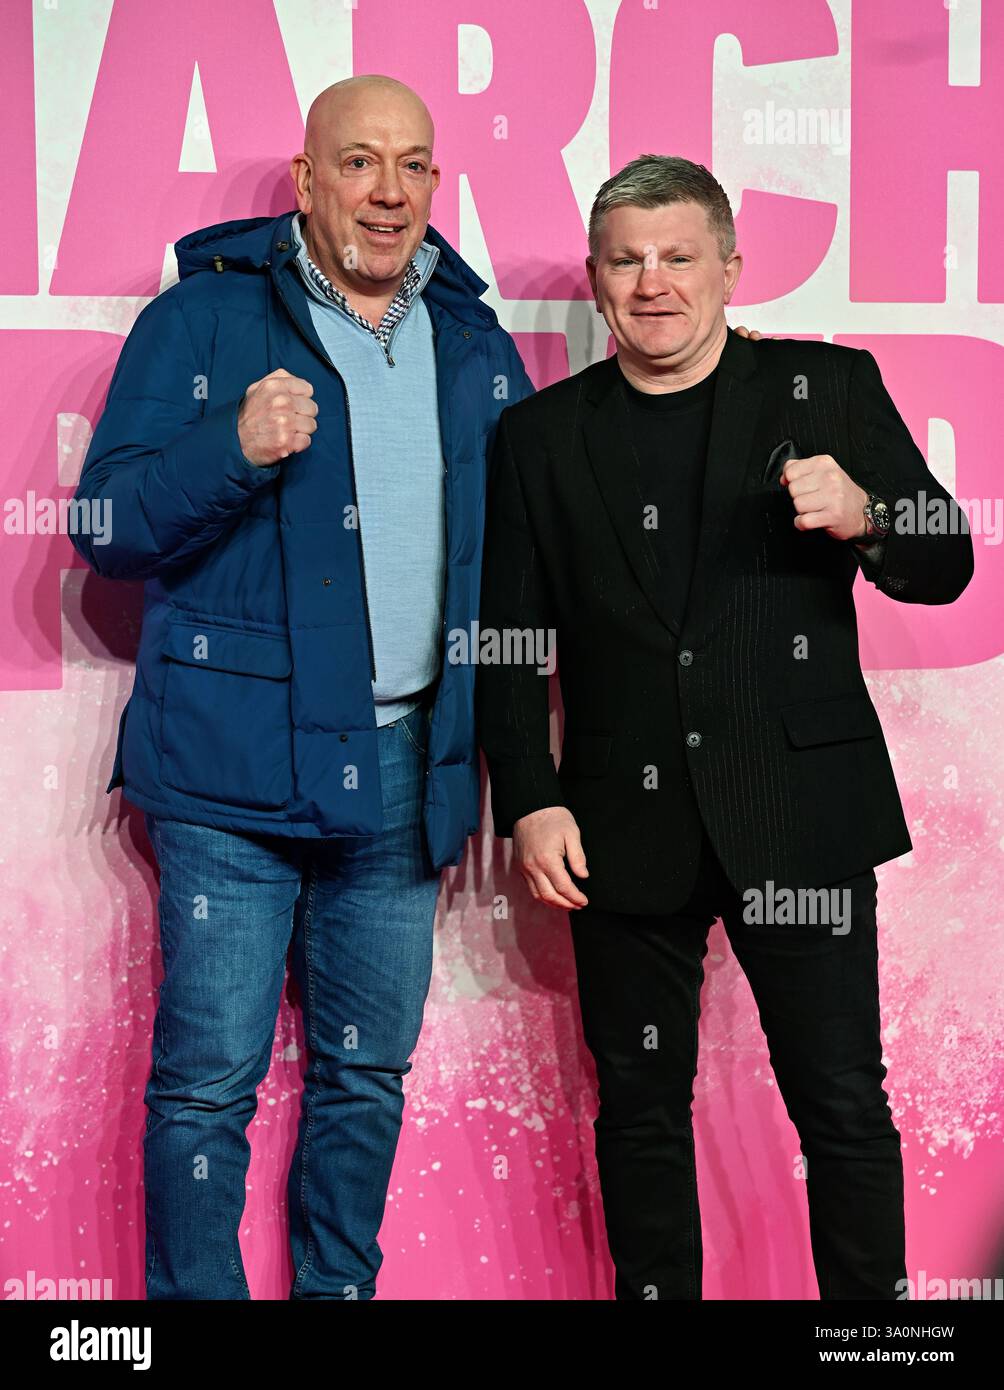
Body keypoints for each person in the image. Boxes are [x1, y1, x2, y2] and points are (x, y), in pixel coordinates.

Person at [475, 154, 974, 1300]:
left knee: (841, 1103)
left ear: (728, 268)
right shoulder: (539, 438)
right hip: (612, 824)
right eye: (625, 260)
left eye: (677, 257)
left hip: (798, 813)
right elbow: (504, 636)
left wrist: (866, 515)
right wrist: (532, 794)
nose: (652, 283)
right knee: (639, 1109)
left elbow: (942, 558)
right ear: (596, 282)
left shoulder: (825, 389)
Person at [71, 74, 535, 1300]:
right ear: (307, 178)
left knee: (363, 1073)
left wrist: (720, 398)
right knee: (206, 1084)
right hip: (226, 770)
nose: (389, 192)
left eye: (413, 166)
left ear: (435, 183)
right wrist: (228, 447)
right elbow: (106, 524)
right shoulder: (202, 322)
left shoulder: (477, 342)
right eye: (360, 162)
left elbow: (551, 527)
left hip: (407, 764)